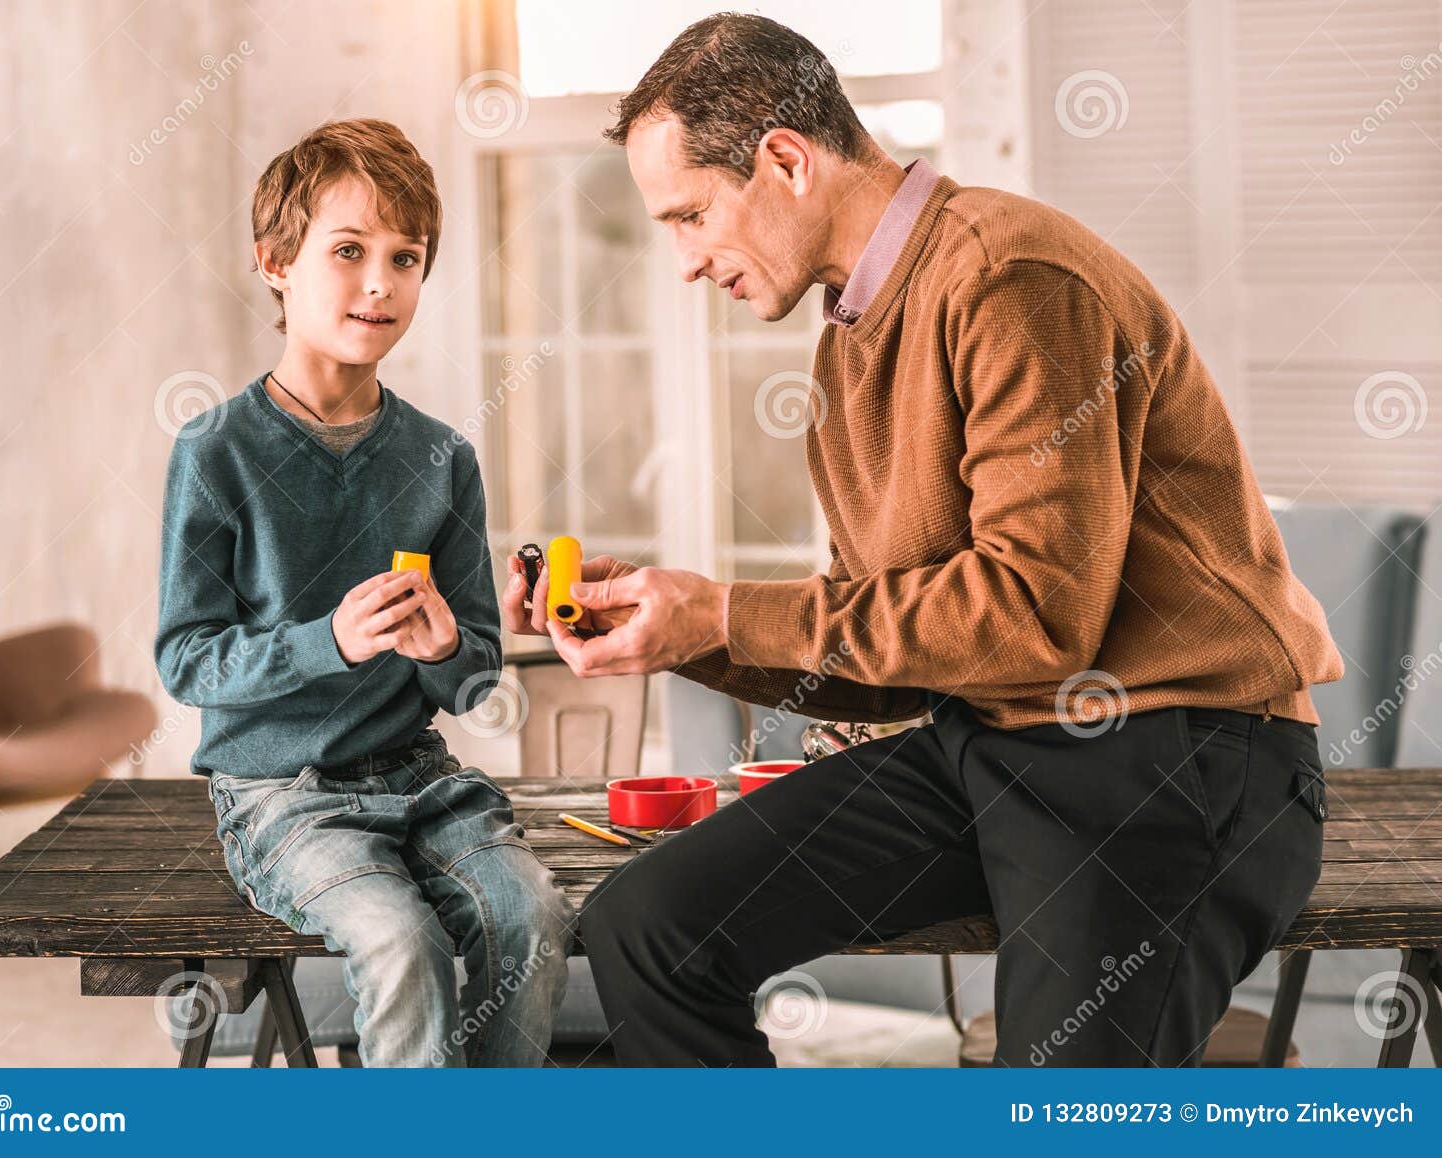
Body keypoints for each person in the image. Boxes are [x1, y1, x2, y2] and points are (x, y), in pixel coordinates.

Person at [503, 14, 1341, 1067]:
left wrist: (721, 608)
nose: (681, 261)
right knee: (652, 928)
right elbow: (912, 657)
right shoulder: (847, 351)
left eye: (691, 216)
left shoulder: (1009, 276)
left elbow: (1034, 619)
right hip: (993, 740)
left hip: (1176, 751)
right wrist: (680, 634)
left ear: (783, 158)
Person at [156, 117, 573, 1067]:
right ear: (275, 262)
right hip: (280, 795)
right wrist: (327, 643)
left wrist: (441, 654)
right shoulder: (215, 450)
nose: (380, 282)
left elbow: (473, 680)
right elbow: (186, 660)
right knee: (401, 943)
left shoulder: (442, 456)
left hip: (421, 778)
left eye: (406, 257)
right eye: (348, 251)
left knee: (536, 918)